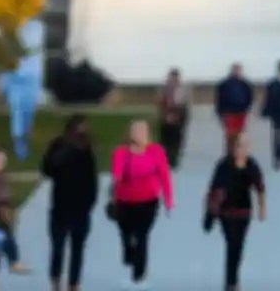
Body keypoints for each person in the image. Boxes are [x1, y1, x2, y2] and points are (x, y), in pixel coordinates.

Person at [110, 119, 173, 290]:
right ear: (130, 134)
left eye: (143, 131)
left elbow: (164, 176)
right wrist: (114, 193)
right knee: (126, 233)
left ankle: (138, 274)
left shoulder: (156, 152)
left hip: (148, 202)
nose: (139, 135)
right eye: (136, 131)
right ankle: (128, 252)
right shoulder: (121, 153)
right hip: (124, 201)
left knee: (142, 236)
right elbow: (116, 175)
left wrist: (168, 200)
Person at [42, 114, 99, 291]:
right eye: (80, 128)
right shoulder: (58, 145)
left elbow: (92, 177)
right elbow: (47, 169)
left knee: (78, 249)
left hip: (81, 208)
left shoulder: (87, 148)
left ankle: (74, 283)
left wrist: (91, 201)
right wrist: (67, 150)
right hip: (60, 206)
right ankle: (56, 280)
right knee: (58, 247)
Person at [204, 133, 266, 291]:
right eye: (239, 146)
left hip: (244, 212)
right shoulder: (223, 165)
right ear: (233, 147)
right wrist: (210, 211)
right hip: (226, 212)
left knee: (238, 245)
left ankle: (232, 277)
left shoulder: (252, 165)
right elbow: (213, 189)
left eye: (244, 146)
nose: (241, 149)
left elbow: (259, 187)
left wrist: (262, 208)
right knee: (232, 243)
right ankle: (231, 281)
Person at [0, 149, 29, 275]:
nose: (2, 163)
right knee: (3, 237)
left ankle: (12, 261)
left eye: (3, 161)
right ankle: (11, 262)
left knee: (6, 236)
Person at [0, 51, 43, 161]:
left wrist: (36, 99)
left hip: (28, 99)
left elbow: (35, 84)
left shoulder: (32, 66)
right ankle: (20, 149)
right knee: (17, 124)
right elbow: (6, 82)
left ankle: (23, 146)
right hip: (17, 100)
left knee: (26, 124)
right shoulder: (12, 66)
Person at [157, 69, 191, 169]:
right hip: (165, 119)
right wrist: (165, 116)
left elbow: (183, 106)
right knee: (165, 141)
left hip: (177, 119)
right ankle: (165, 160)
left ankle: (173, 161)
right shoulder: (164, 89)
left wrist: (176, 117)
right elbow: (160, 103)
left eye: (174, 78)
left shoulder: (182, 90)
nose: (172, 80)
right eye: (171, 78)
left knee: (176, 141)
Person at [216, 63, 254, 138]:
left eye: (239, 70)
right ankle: (230, 149)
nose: (237, 72)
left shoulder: (245, 84)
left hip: (242, 113)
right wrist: (220, 113)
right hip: (229, 113)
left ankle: (239, 149)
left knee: (240, 134)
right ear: (232, 71)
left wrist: (248, 108)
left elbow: (250, 97)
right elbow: (219, 99)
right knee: (230, 135)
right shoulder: (224, 84)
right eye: (236, 70)